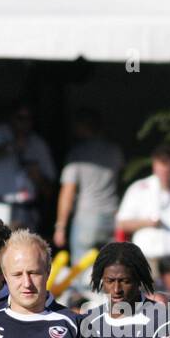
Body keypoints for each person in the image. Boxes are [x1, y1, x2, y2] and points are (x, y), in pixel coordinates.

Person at [115, 146, 170, 276]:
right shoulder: (139, 189)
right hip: (146, 258)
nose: (164, 175)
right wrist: (148, 223)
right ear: (154, 167)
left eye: (168, 171)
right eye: (160, 170)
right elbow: (121, 224)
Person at [0, 103, 56, 230]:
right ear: (11, 118)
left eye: (28, 119)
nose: (24, 123)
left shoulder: (38, 144)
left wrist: (37, 177)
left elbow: (50, 190)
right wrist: (8, 148)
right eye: (20, 118)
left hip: (26, 210)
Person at [53, 110, 124, 261]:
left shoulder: (78, 155)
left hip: (87, 217)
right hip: (112, 216)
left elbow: (68, 192)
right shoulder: (114, 151)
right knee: (110, 269)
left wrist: (60, 227)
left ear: (83, 127)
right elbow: (120, 181)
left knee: (82, 272)